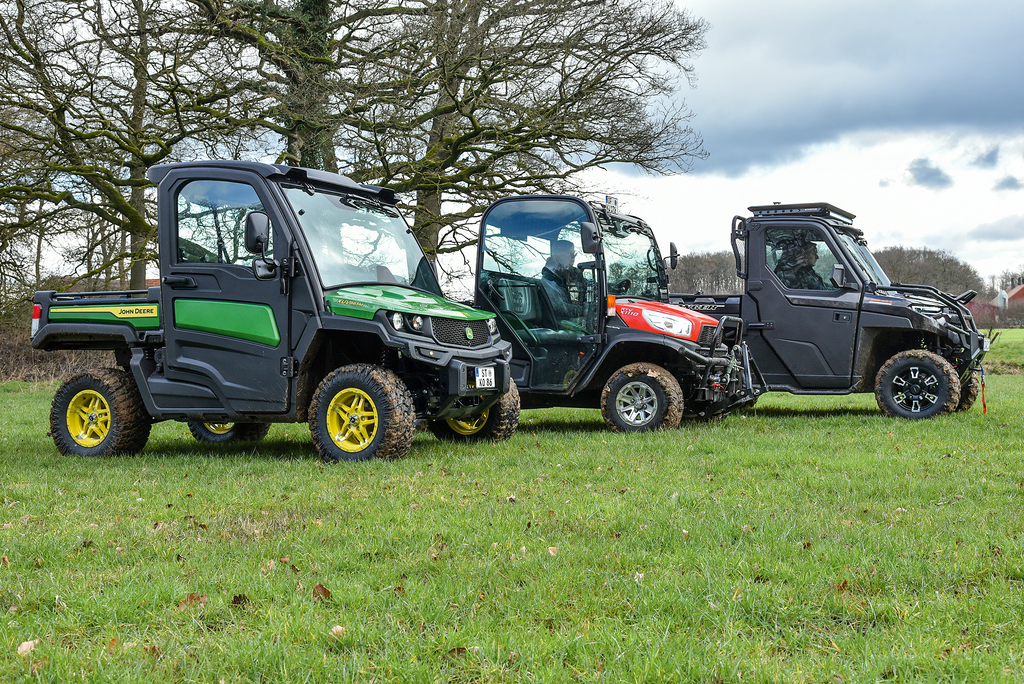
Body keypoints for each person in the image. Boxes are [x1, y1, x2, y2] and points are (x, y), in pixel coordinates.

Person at [541, 239, 584, 320]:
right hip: (555, 326)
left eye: (574, 254)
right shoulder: (549, 279)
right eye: (570, 254)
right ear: (557, 256)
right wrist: (586, 310)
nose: (573, 258)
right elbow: (560, 308)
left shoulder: (563, 275)